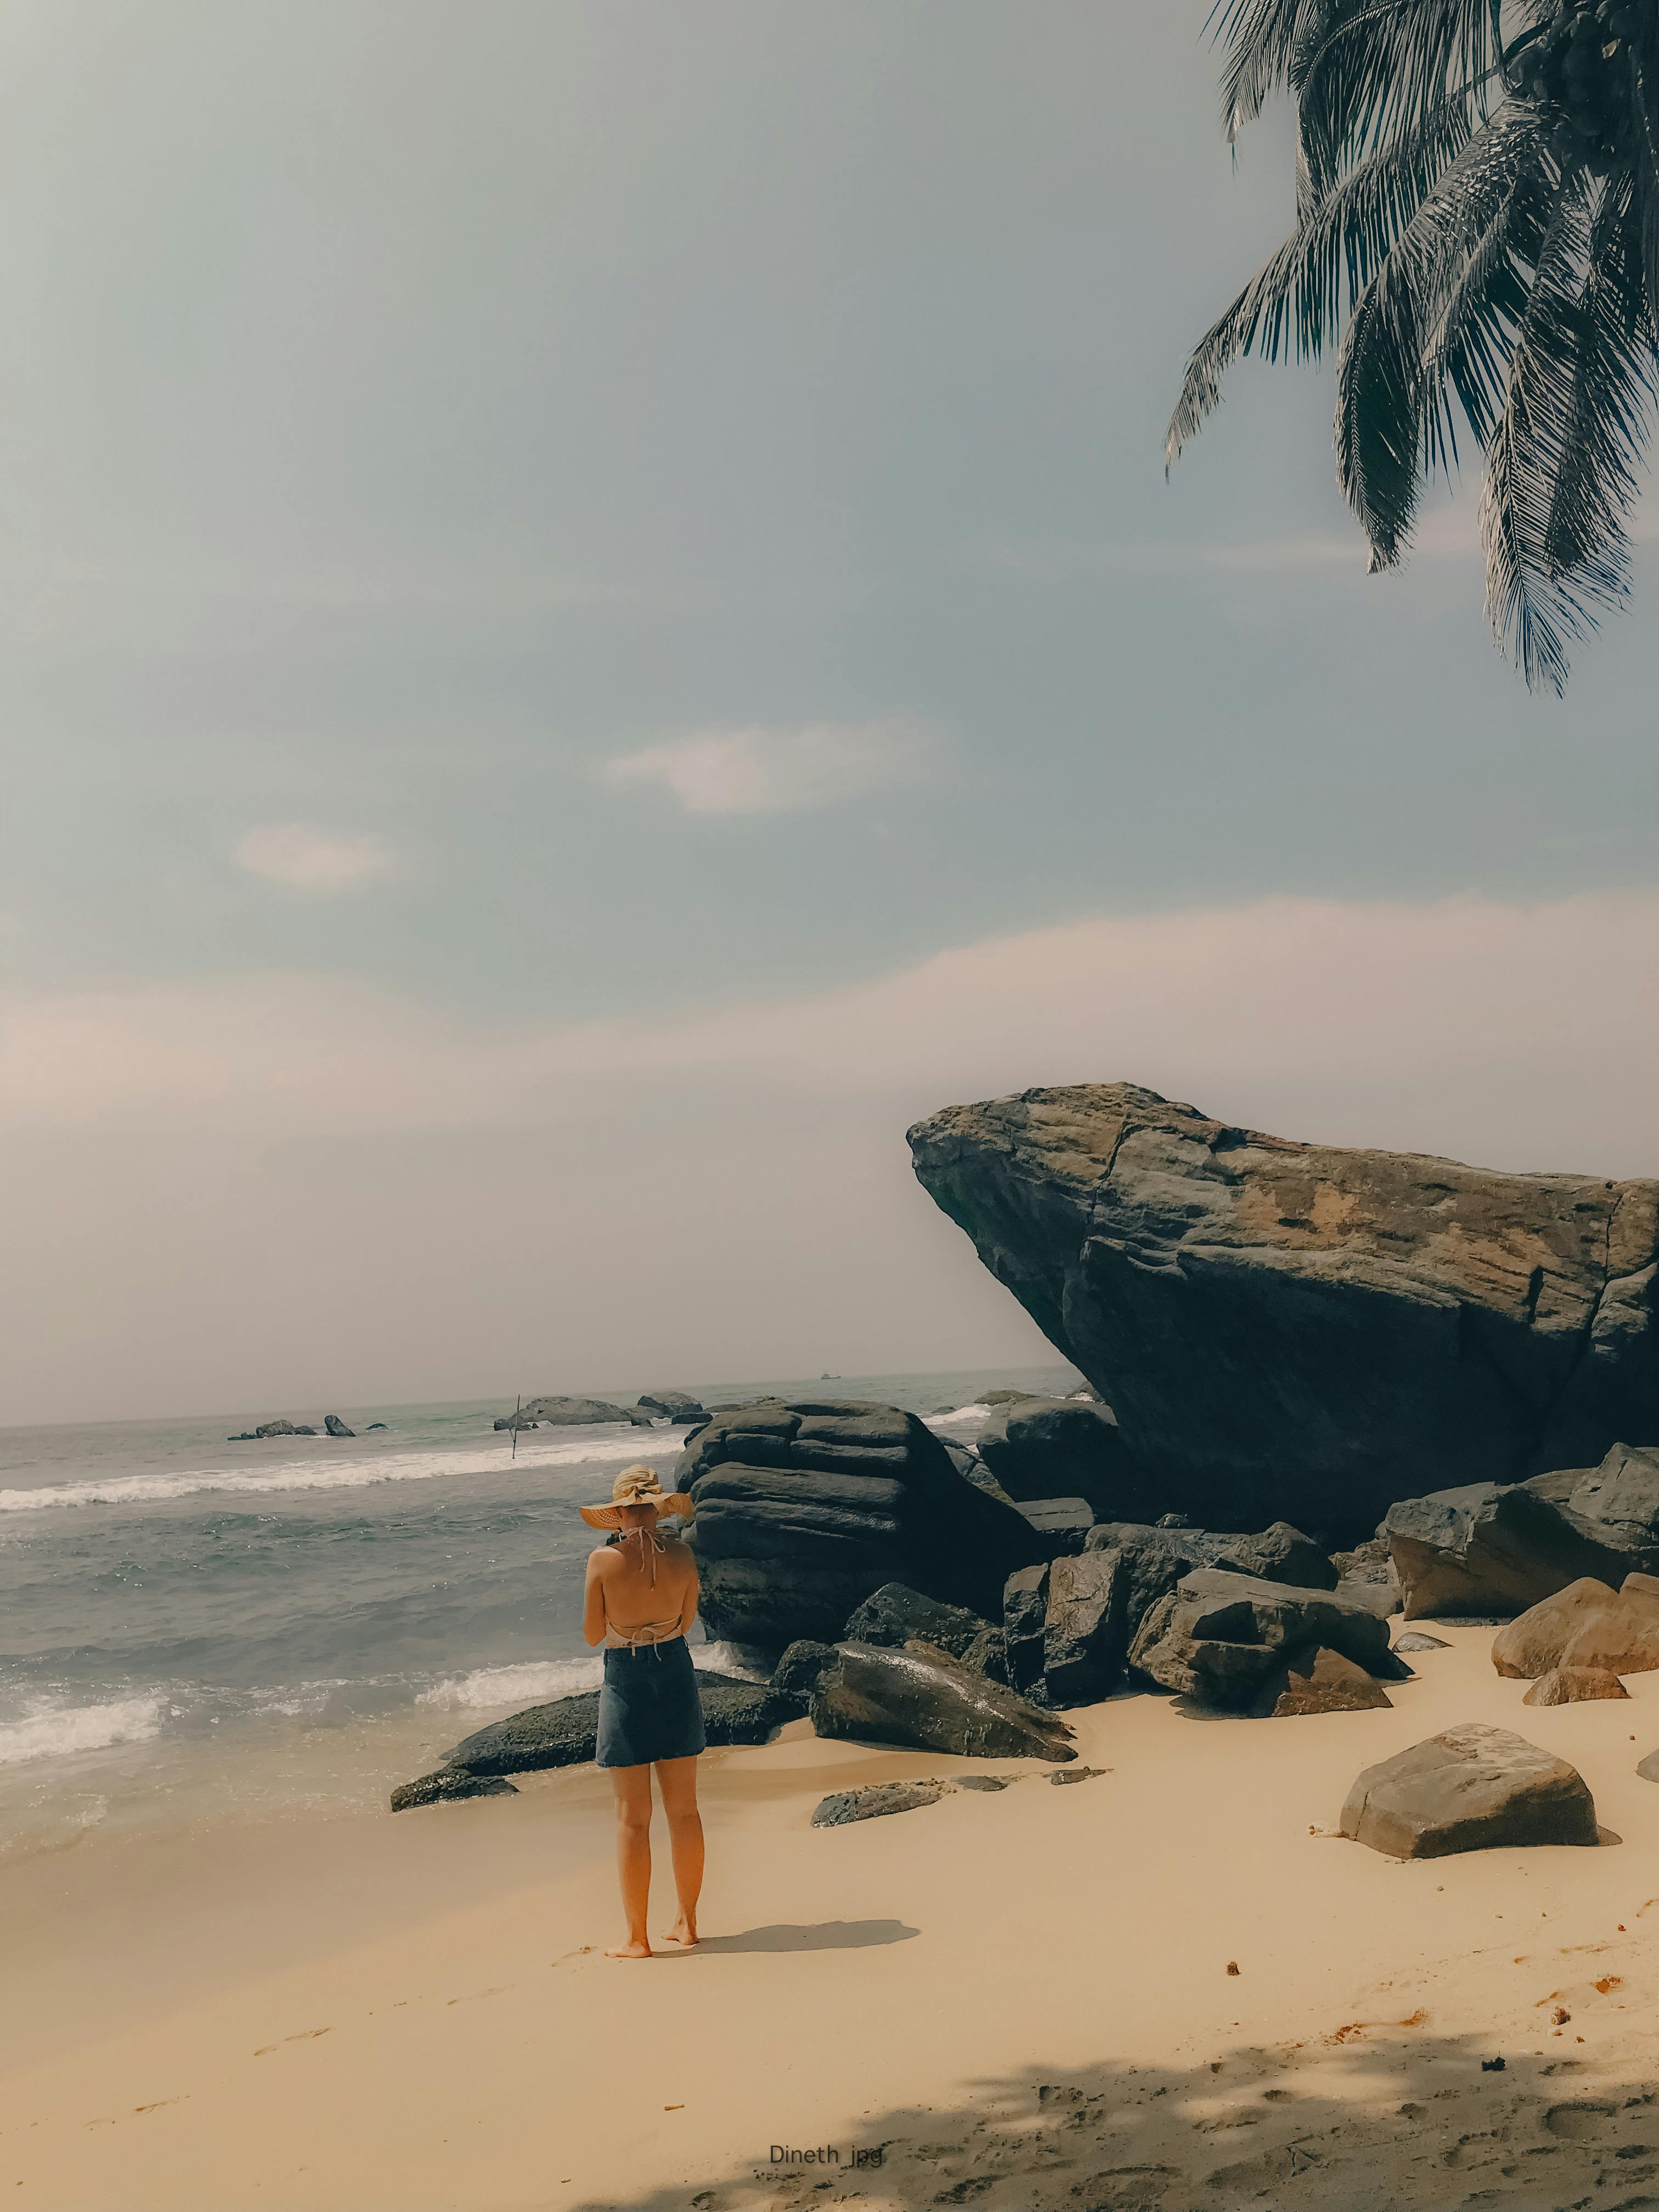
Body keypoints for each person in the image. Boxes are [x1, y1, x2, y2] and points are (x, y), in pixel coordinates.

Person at [580, 1464, 705, 1959]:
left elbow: (593, 1635)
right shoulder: (684, 1553)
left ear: (618, 1513)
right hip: (675, 1671)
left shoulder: (602, 1559)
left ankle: (637, 1939)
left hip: (626, 1678)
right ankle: (688, 1923)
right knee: (685, 1812)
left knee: (633, 1817)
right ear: (657, 1508)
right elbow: (688, 1620)